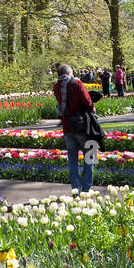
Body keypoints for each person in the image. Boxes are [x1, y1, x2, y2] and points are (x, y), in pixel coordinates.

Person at [52, 64, 99, 193]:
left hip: (67, 126)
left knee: (72, 159)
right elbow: (87, 101)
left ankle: (76, 189)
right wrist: (92, 108)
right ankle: (86, 187)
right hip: (82, 125)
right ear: (69, 72)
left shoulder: (56, 87)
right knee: (89, 155)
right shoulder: (77, 83)